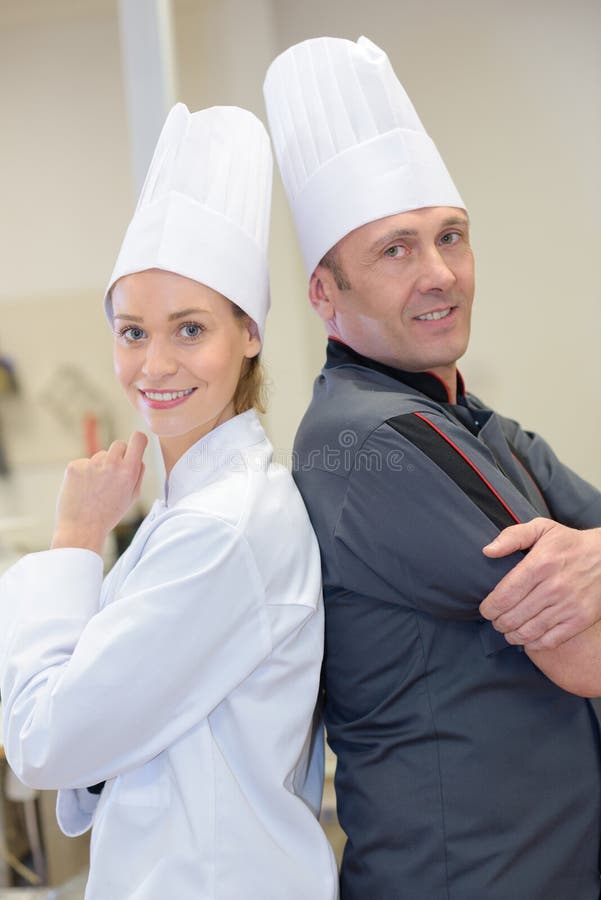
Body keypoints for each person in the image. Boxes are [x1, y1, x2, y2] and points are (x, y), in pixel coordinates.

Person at [264, 36, 601, 900]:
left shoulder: (471, 420)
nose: (440, 274)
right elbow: (586, 654)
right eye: (395, 250)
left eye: (450, 236)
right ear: (322, 292)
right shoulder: (373, 439)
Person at [0, 103, 338, 900]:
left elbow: (46, 744)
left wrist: (75, 539)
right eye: (131, 332)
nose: (153, 363)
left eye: (189, 330)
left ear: (248, 331)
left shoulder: (225, 528)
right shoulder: (201, 506)